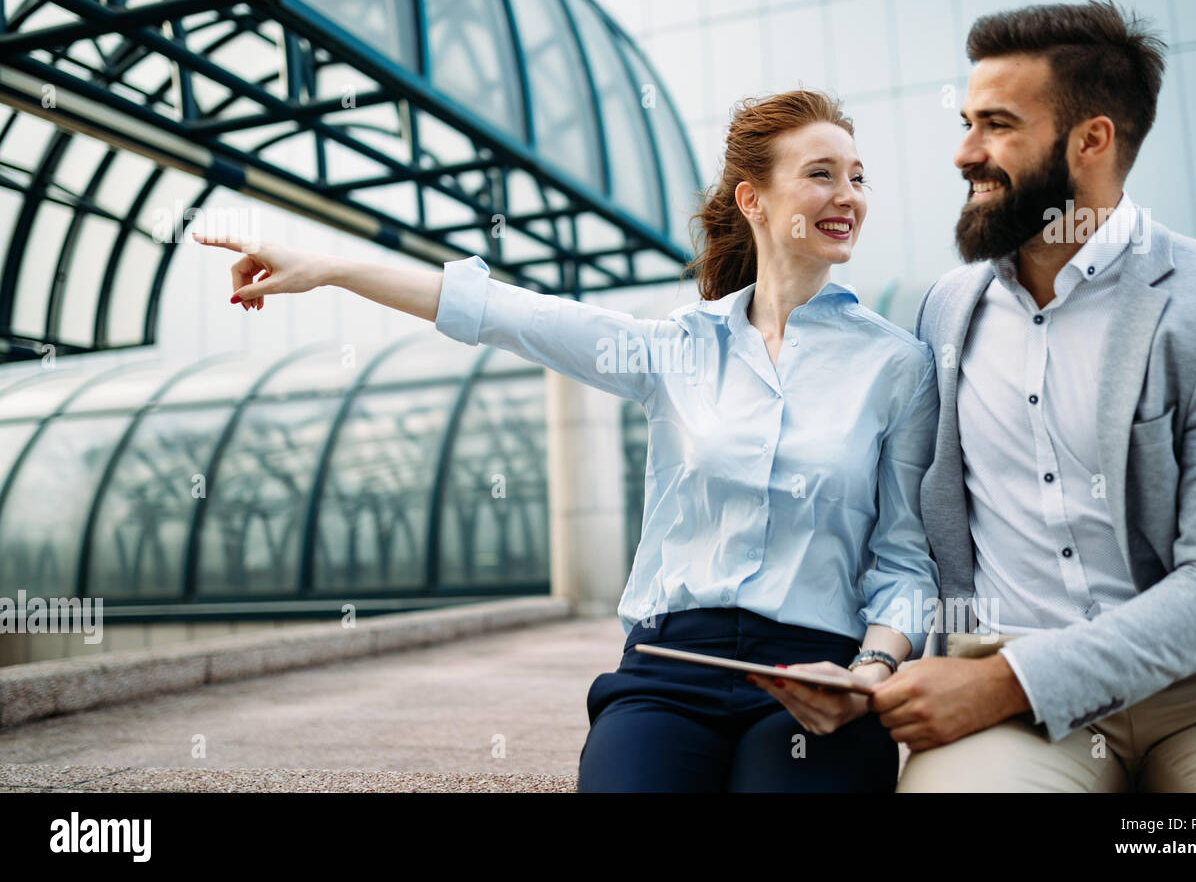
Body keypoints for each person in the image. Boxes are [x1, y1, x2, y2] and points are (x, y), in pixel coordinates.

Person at [198, 89, 940, 792]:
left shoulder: (897, 365)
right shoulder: (675, 349)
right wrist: (329, 268)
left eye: (858, 177)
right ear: (754, 200)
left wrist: (871, 672)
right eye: (821, 175)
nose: (849, 196)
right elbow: (503, 312)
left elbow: (906, 562)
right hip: (668, 667)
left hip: (818, 679)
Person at [866, 0, 1196, 791]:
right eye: (966, 122)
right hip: (1000, 688)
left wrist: (1009, 680)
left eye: (997, 124)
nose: (965, 152)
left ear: (1092, 139)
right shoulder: (945, 311)